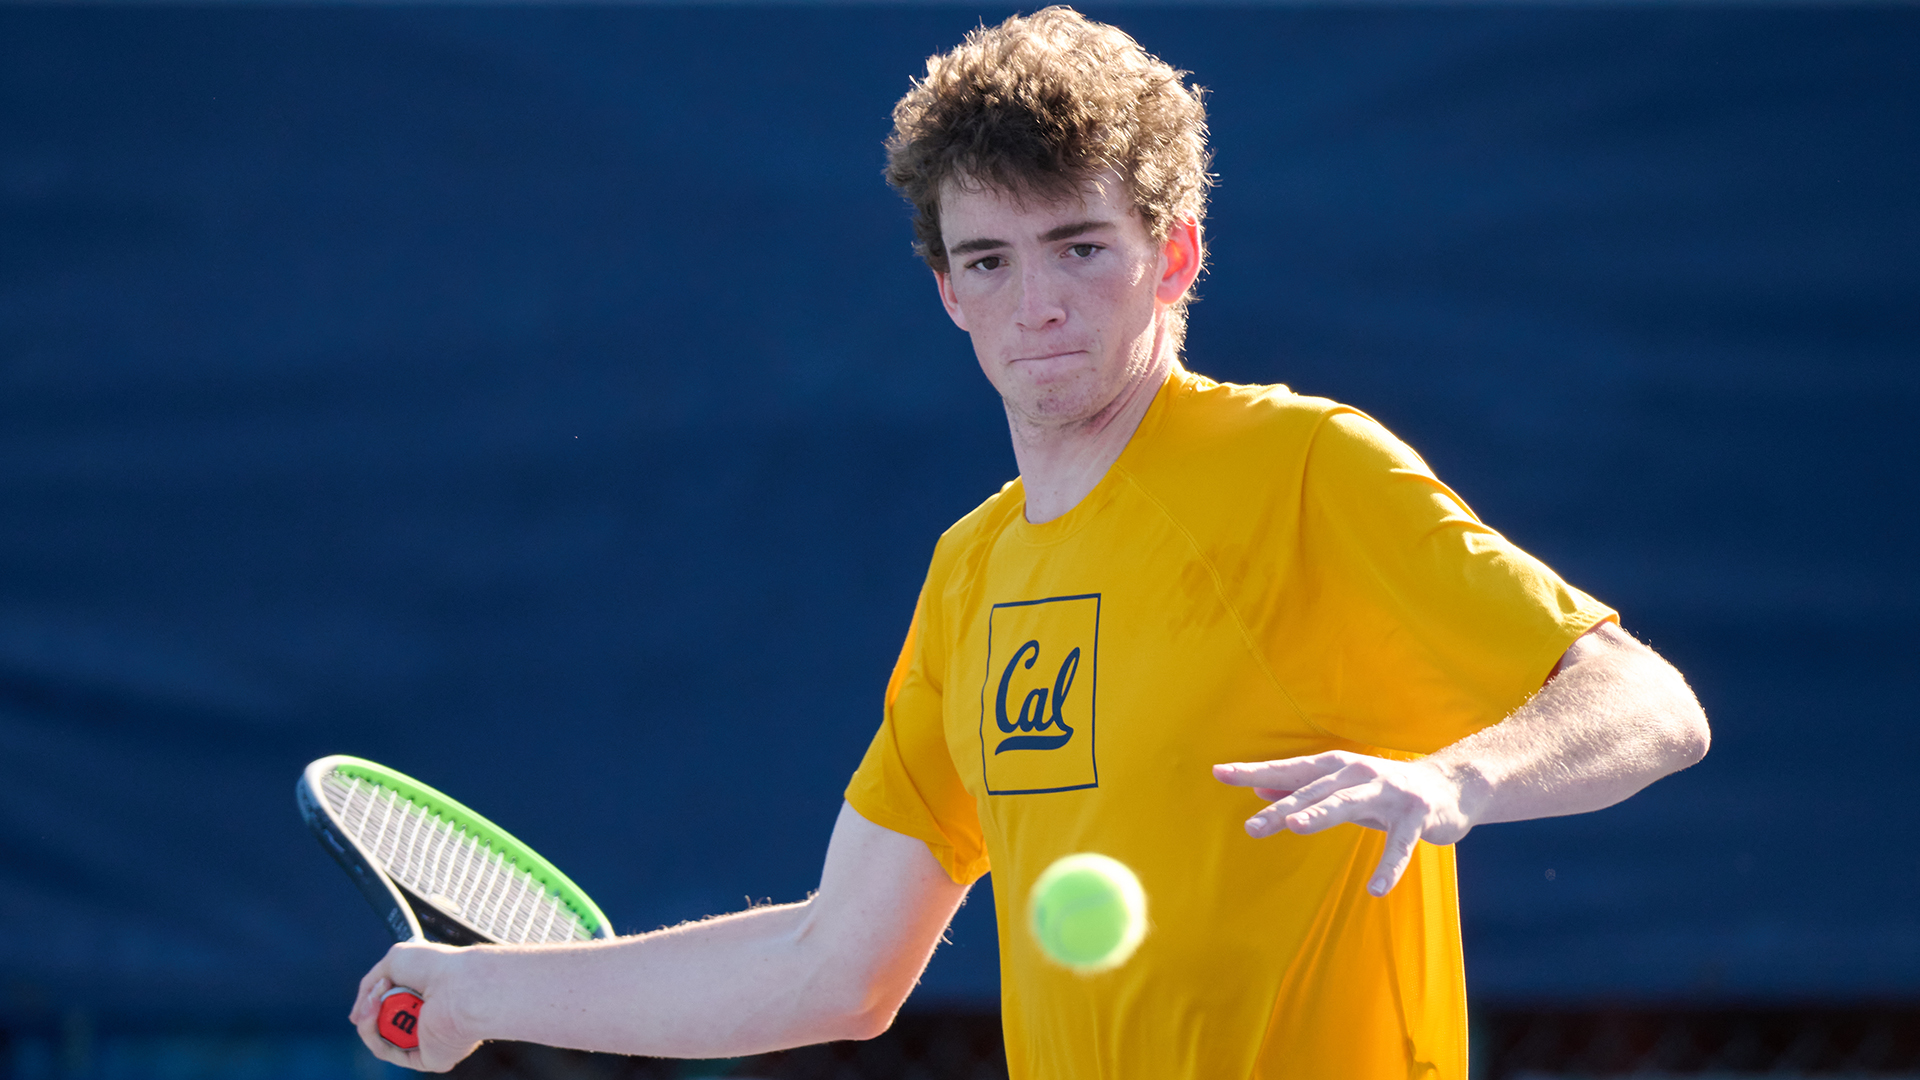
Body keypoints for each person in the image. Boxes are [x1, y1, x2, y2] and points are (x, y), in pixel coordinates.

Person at [351, 8, 1711, 1077]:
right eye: (990, 261)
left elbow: (1648, 705)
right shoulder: (975, 572)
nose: (1038, 305)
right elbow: (838, 968)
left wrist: (1453, 782)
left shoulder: (1305, 468)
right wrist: (485, 992)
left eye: (1079, 248)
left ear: (1175, 255)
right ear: (947, 293)